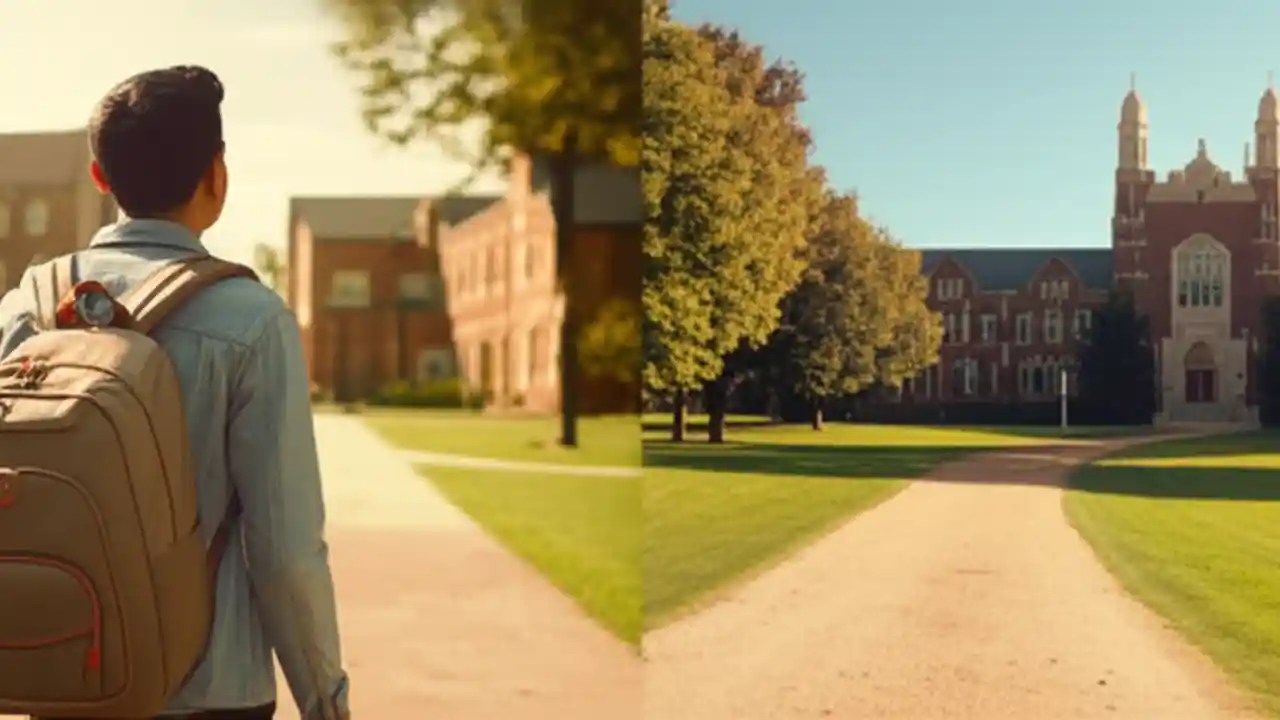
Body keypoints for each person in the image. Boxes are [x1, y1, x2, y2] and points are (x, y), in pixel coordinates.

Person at [0, 66, 351, 720]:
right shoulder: (251, 319)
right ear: (217, 174)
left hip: (66, 676)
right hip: (211, 691)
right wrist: (325, 701)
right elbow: (285, 549)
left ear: (100, 176)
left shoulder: (28, 307)